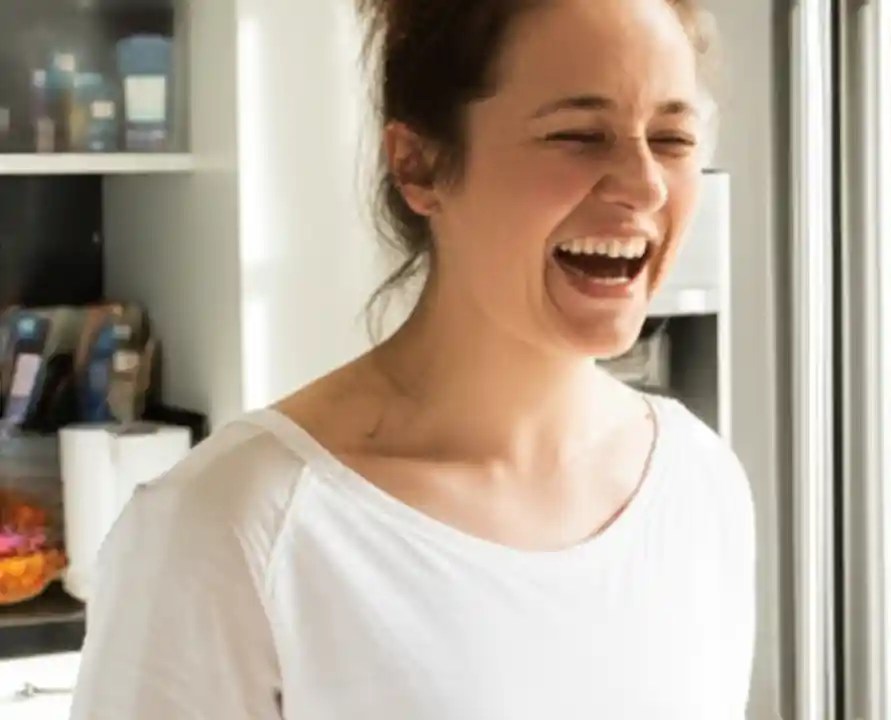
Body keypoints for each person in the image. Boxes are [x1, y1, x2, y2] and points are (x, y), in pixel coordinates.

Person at [69, 0, 756, 717]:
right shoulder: (234, 530)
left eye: (673, 138)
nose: (645, 185)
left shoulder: (698, 486)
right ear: (419, 164)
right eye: (579, 135)